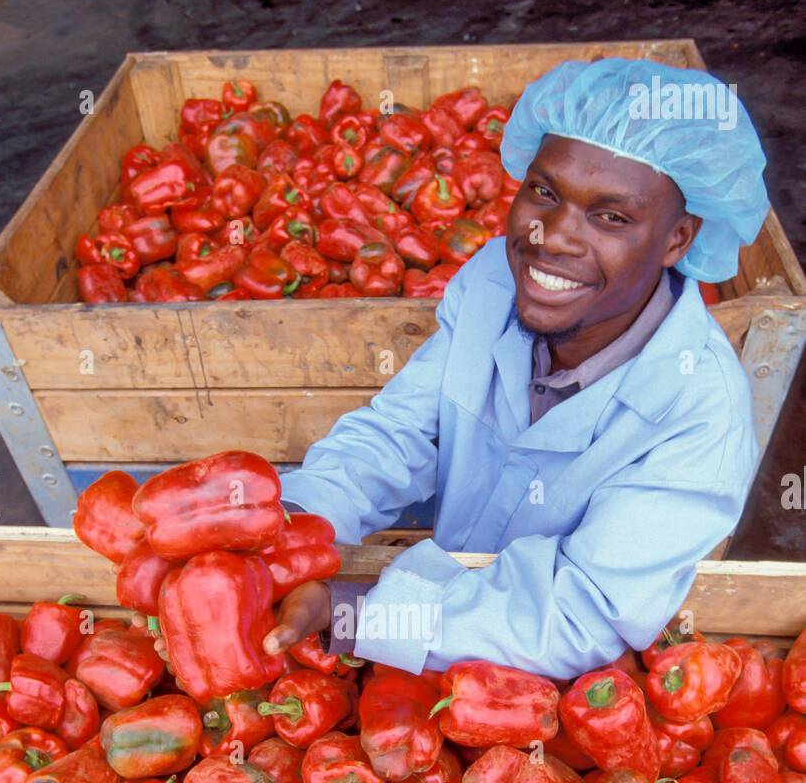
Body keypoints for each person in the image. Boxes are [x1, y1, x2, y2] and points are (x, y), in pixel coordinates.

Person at [265, 58, 769, 678]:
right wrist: (279, 536)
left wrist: (354, 614)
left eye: (611, 217)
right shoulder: (493, 282)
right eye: (544, 193)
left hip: (542, 709)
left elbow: (576, 618)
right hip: (412, 661)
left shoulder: (699, 412)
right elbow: (400, 435)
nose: (552, 237)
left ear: (678, 239)